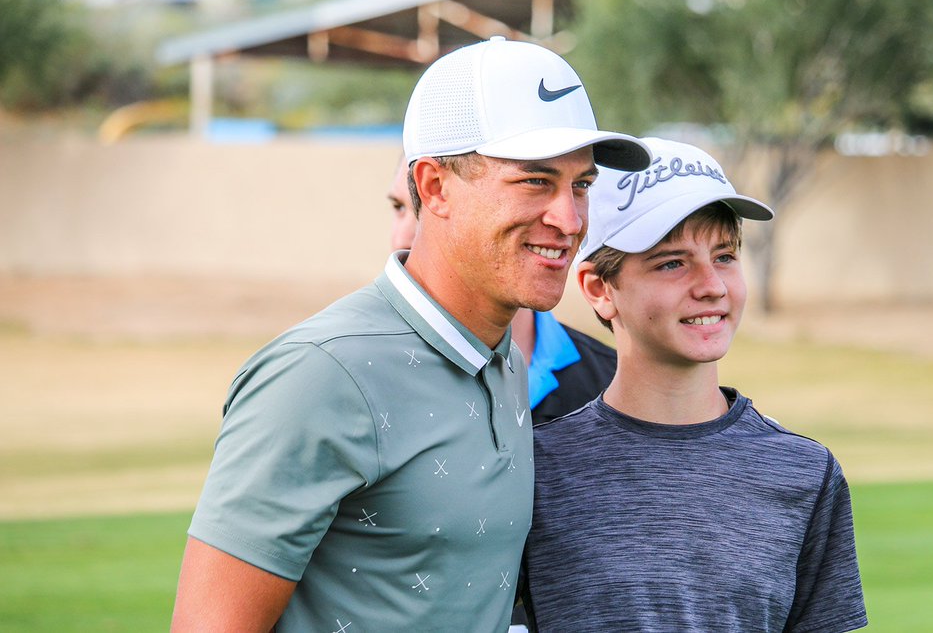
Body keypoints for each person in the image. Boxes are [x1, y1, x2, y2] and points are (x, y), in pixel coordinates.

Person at [170, 37, 650, 632]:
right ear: (434, 187)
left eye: (581, 185)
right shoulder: (320, 374)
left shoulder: (501, 360)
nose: (571, 220)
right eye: (535, 182)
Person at [521, 138, 868, 632]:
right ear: (600, 289)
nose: (711, 285)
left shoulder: (804, 472)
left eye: (725, 256)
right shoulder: (537, 469)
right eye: (672, 263)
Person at [388, 162, 615, 425]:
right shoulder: (360, 373)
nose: (403, 237)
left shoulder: (613, 385)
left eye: (582, 185)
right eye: (399, 207)